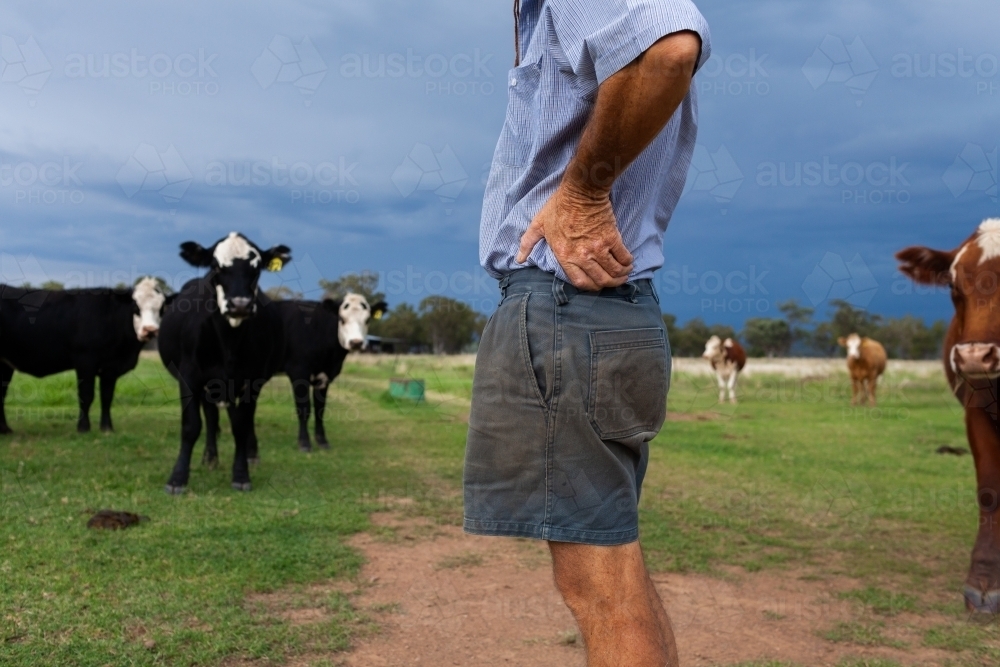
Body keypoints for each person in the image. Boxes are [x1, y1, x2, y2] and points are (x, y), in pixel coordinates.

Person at [464, 1, 711, 665]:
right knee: (616, 565)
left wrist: (581, 191)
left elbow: (671, 48)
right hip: (601, 312)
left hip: (566, 311)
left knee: (597, 587)